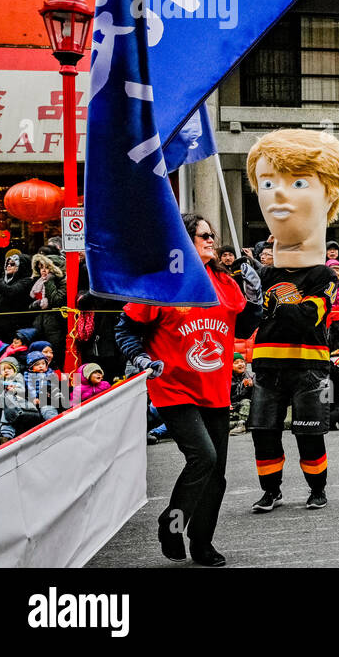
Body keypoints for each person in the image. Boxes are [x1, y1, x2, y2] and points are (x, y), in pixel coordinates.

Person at [114, 214, 262, 566]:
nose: (212, 240)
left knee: (217, 474)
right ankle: (172, 523)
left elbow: (241, 325)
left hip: (215, 388)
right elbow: (125, 329)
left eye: (212, 235)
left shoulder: (224, 283)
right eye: (203, 235)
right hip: (173, 386)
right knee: (203, 458)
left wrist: (255, 299)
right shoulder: (163, 282)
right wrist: (140, 357)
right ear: (183, 240)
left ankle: (202, 543)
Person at [245, 129, 339, 514]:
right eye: (267, 182)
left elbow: (307, 318)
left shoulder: (327, 274)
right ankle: (270, 490)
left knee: (310, 432)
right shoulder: (263, 275)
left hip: (308, 364)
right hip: (266, 363)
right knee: (263, 432)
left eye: (297, 182)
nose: (279, 194)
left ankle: (317, 488)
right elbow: (250, 319)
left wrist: (276, 302)